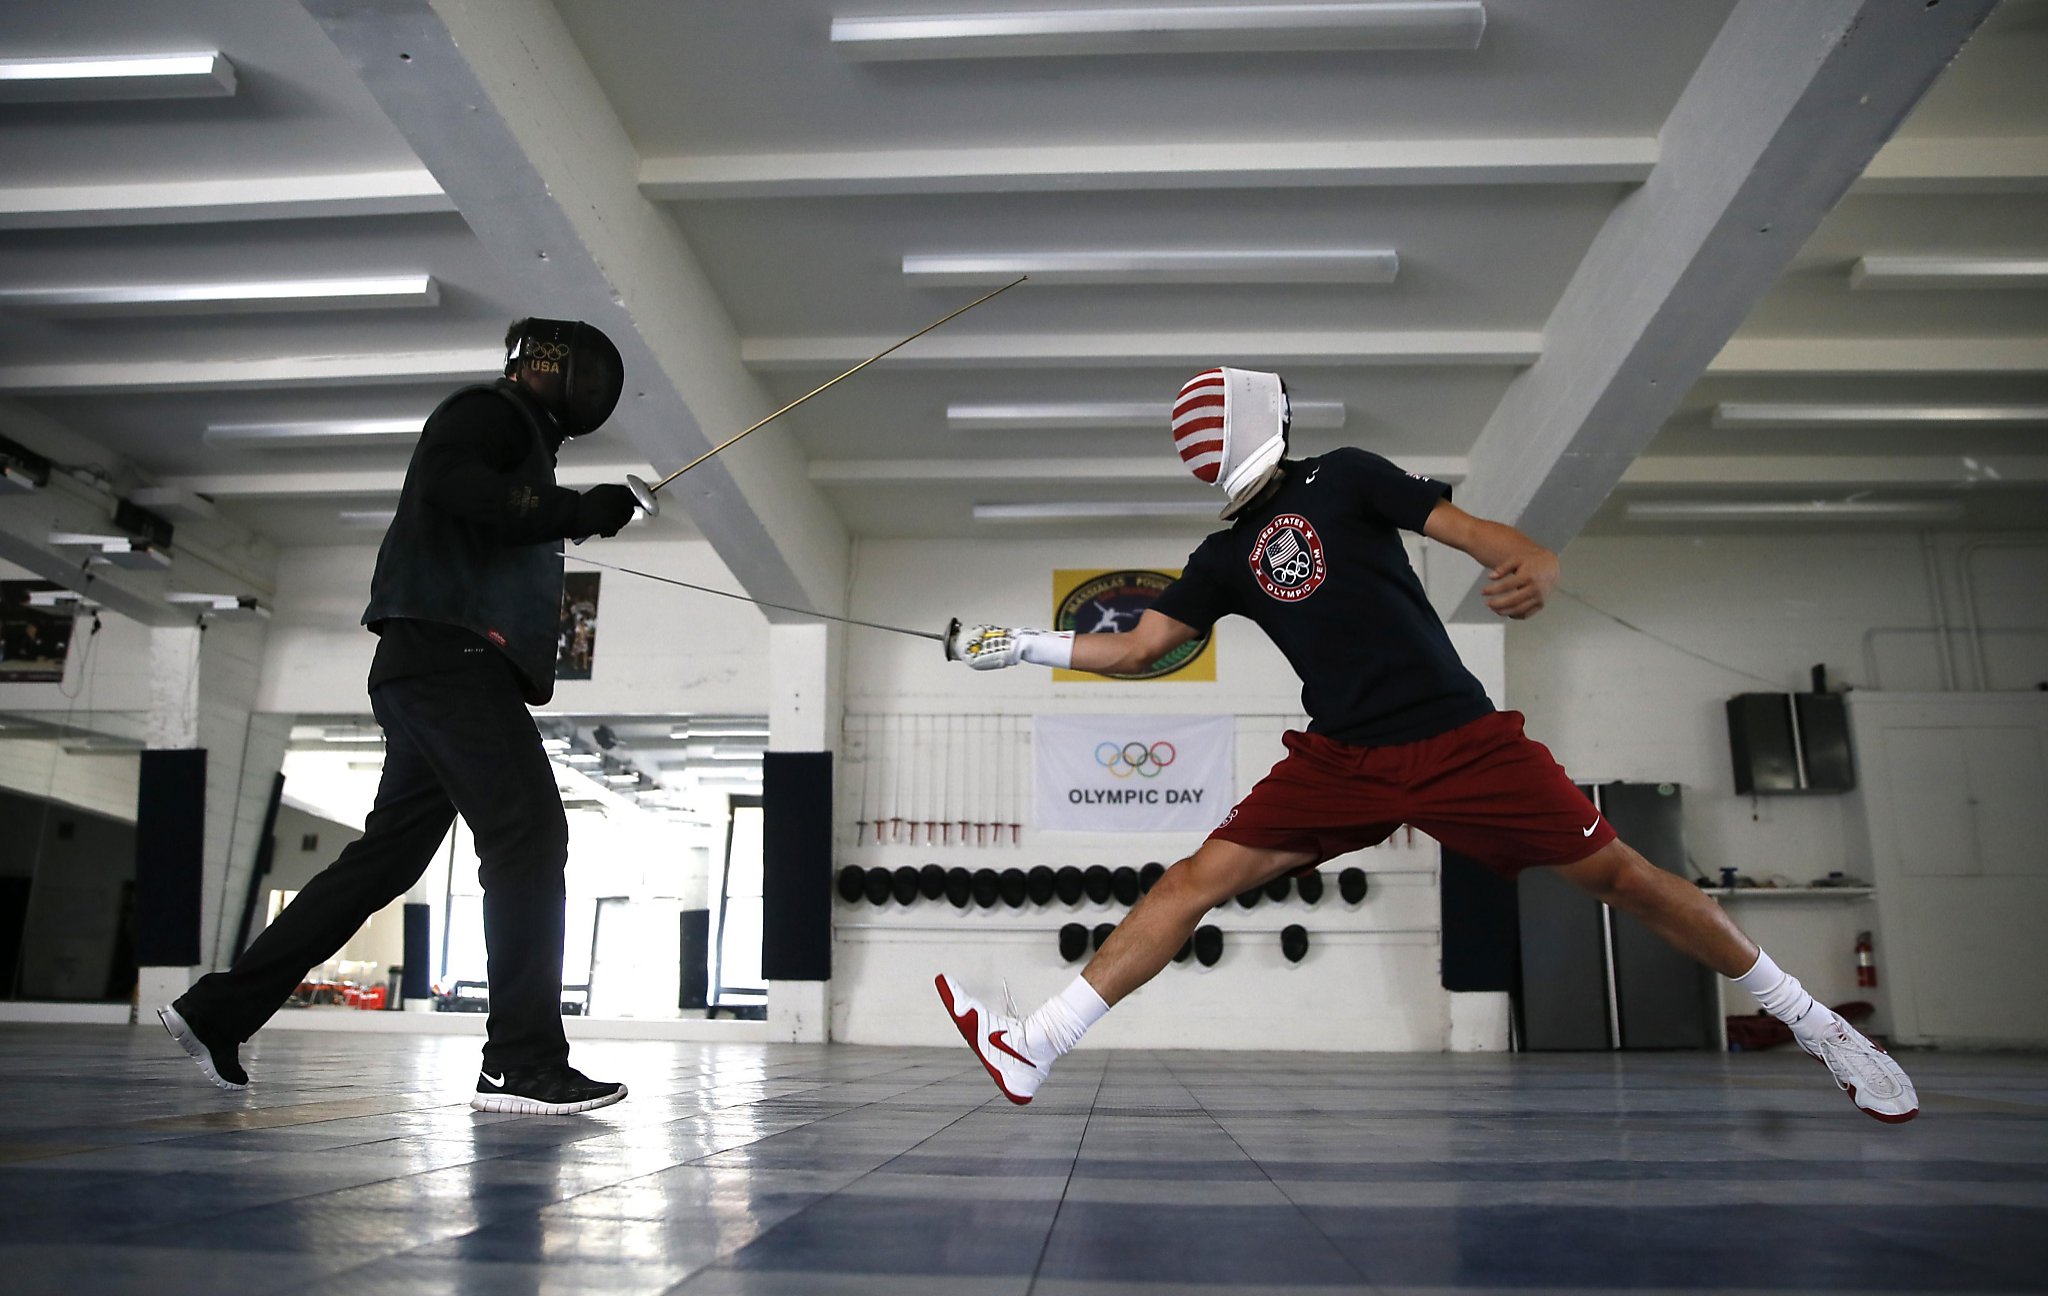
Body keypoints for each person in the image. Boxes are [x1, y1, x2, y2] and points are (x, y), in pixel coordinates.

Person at [937, 366, 1917, 1124]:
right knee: (1193, 879)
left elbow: (1486, 536)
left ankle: (1816, 1027)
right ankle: (1036, 1044)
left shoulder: (1347, 477)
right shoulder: (1221, 556)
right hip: (1340, 759)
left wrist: (1528, 561)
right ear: (1255, 421)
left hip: (1459, 741)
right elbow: (1144, 646)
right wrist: (1024, 645)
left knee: (1621, 877)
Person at [160, 318, 645, 1116]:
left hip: (427, 666)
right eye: (583, 375)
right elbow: (461, 488)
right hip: (451, 660)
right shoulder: (487, 412)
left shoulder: (519, 437)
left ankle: (218, 1010)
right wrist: (573, 509)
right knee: (528, 834)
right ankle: (519, 1061)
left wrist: (578, 510)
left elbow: (496, 511)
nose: (591, 391)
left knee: (386, 861)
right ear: (548, 369)